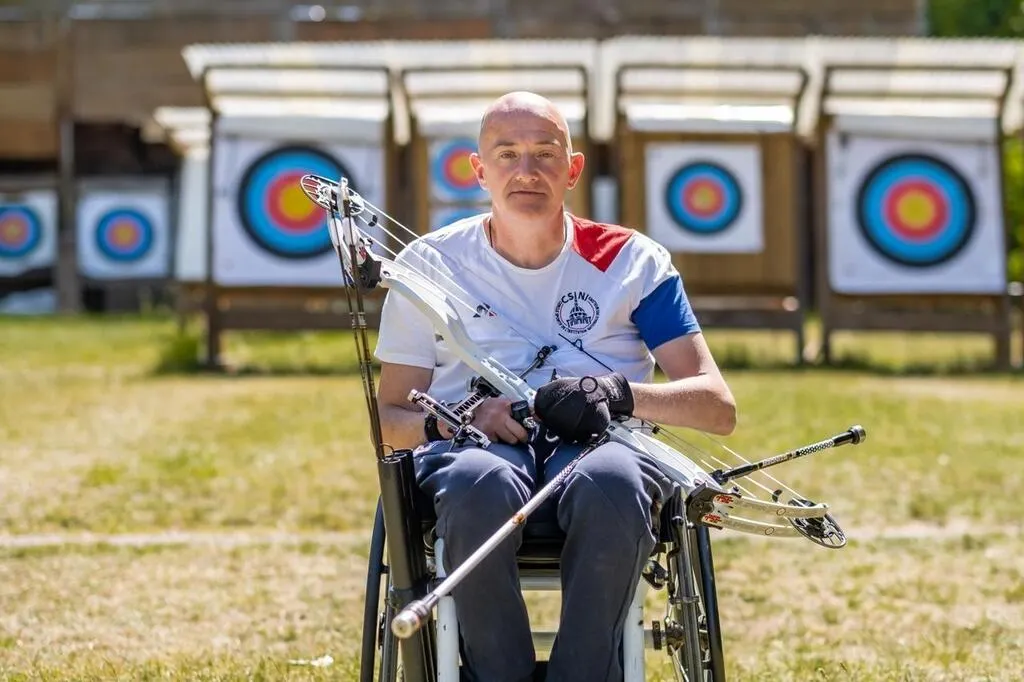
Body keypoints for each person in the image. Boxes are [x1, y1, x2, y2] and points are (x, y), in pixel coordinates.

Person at [372, 91, 737, 682]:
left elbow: (716, 406)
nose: (526, 170)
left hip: (603, 451)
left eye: (545, 154)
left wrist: (617, 395)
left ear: (572, 170)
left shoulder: (632, 260)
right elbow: (388, 418)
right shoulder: (429, 263)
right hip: (476, 453)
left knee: (612, 481)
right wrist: (462, 419)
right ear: (478, 170)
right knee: (475, 480)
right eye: (507, 153)